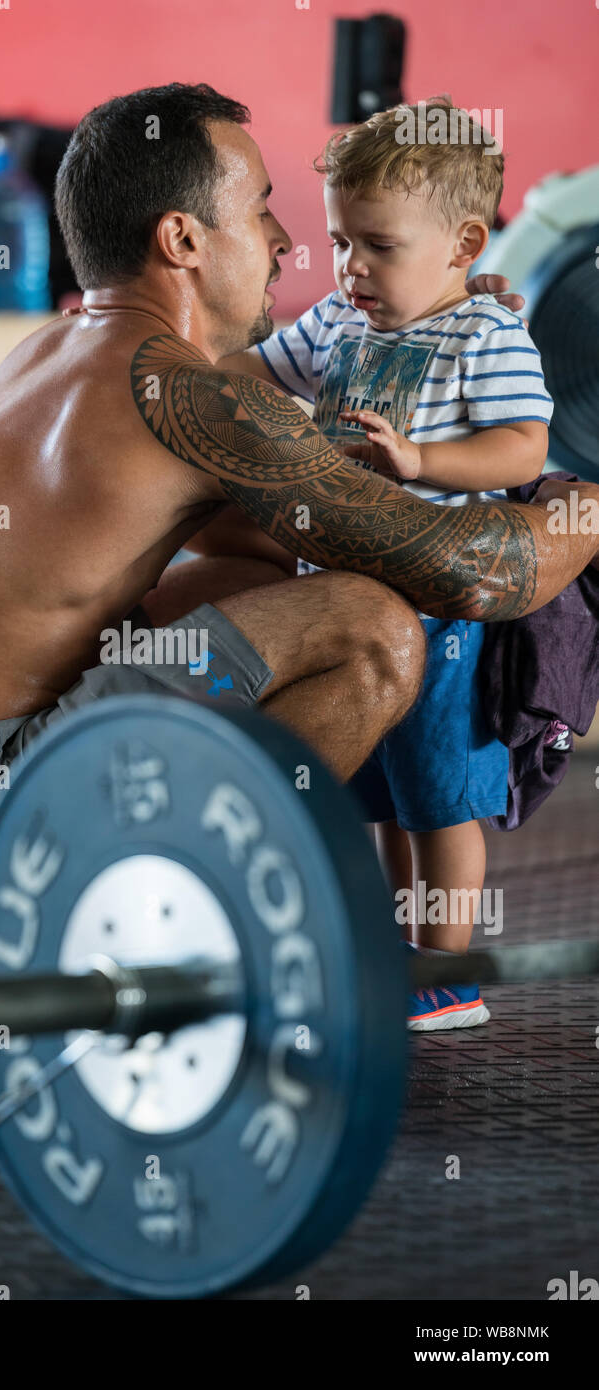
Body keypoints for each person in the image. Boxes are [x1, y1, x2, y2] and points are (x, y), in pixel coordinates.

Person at [0, 83, 599, 967]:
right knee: (372, 631)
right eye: (263, 209)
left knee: (259, 575)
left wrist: (449, 327)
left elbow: (290, 521)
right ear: (183, 240)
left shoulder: (57, 347)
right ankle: (195, 929)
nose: (283, 241)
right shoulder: (194, 397)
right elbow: (476, 573)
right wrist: (581, 505)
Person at [225, 98, 553, 1030]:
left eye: (378, 245)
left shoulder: (484, 336)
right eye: (339, 243)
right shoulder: (339, 320)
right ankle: (397, 946)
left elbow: (525, 449)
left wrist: (423, 463)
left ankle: (450, 970)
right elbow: (254, 373)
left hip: (441, 607)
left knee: (441, 800)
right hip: (341, 600)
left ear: (463, 243)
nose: (351, 267)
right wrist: (153, 351)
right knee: (384, 796)